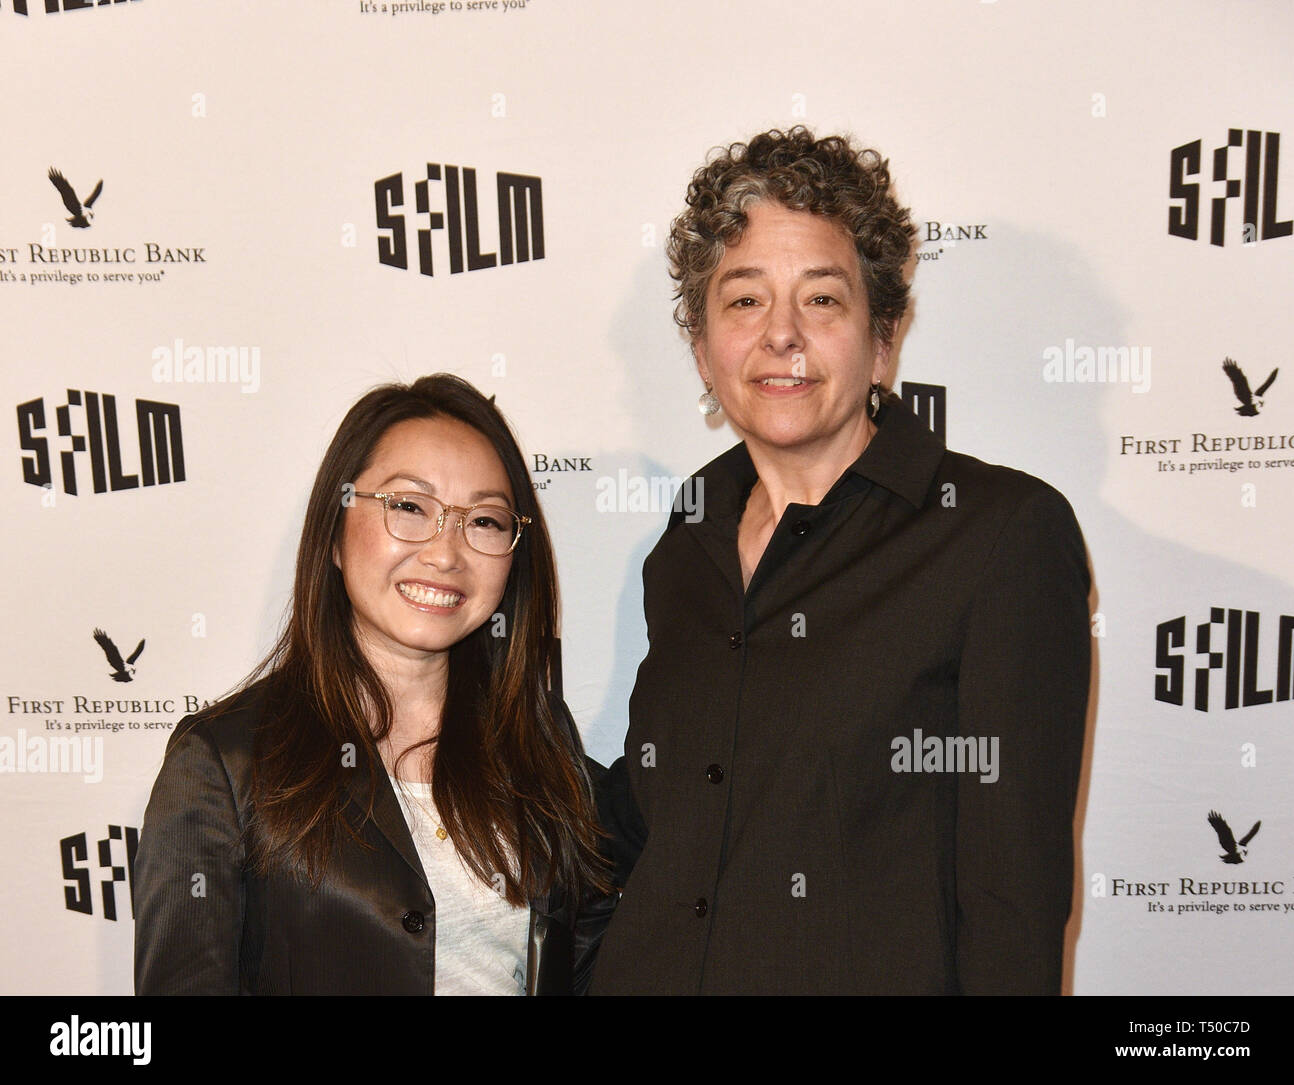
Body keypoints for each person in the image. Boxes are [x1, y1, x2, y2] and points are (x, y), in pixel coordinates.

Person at [590, 128, 1092, 995]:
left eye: (821, 300)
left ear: (884, 336)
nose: (781, 335)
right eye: (743, 301)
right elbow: (656, 818)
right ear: (704, 349)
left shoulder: (998, 535)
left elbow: (1014, 903)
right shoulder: (687, 543)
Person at [134, 374, 611, 995]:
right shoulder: (225, 762)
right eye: (409, 507)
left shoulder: (535, 736)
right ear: (335, 532)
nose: (446, 553)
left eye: (485, 521)